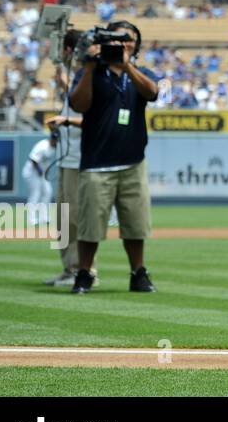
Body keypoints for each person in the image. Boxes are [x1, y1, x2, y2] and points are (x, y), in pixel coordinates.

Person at [66, 20, 159, 294]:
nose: (123, 44)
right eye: (117, 39)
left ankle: (138, 272)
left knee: (136, 223)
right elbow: (79, 104)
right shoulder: (92, 70)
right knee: (90, 224)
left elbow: (153, 93)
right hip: (97, 162)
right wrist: (90, 66)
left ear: (137, 45)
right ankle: (84, 273)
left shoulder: (140, 72)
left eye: (128, 39)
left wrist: (127, 64)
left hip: (133, 161)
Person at [43, 30, 88, 288]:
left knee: (75, 218)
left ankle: (83, 270)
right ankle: (68, 268)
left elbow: (92, 119)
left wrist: (67, 120)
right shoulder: (76, 80)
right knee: (61, 219)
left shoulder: (86, 77)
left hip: (79, 158)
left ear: (69, 50)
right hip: (66, 157)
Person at [22, 127, 57, 226]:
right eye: (55, 140)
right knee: (35, 194)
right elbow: (33, 159)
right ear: (52, 139)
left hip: (41, 174)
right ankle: (31, 220)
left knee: (48, 192)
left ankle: (44, 217)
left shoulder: (53, 148)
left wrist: (44, 171)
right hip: (32, 172)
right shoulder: (43, 146)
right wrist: (40, 171)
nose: (56, 142)